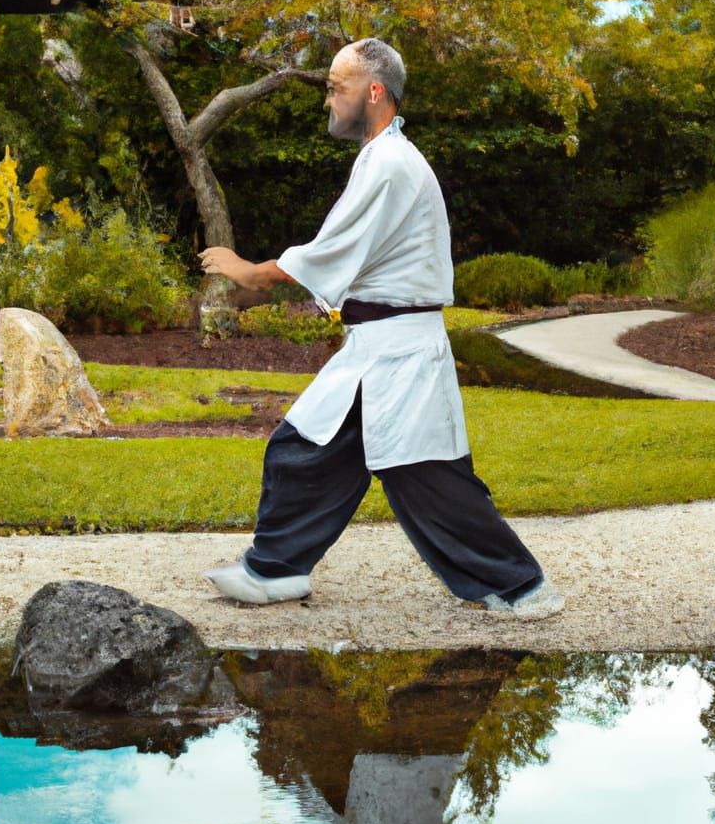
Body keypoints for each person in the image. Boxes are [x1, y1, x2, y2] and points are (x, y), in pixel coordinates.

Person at [199, 38, 564, 619]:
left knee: (428, 480)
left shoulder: (392, 164)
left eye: (335, 87)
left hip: (400, 354)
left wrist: (255, 273)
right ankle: (276, 570)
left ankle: (519, 586)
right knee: (302, 452)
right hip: (376, 350)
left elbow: (333, 248)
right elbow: (356, 256)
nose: (328, 100)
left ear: (373, 92)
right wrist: (265, 286)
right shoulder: (380, 159)